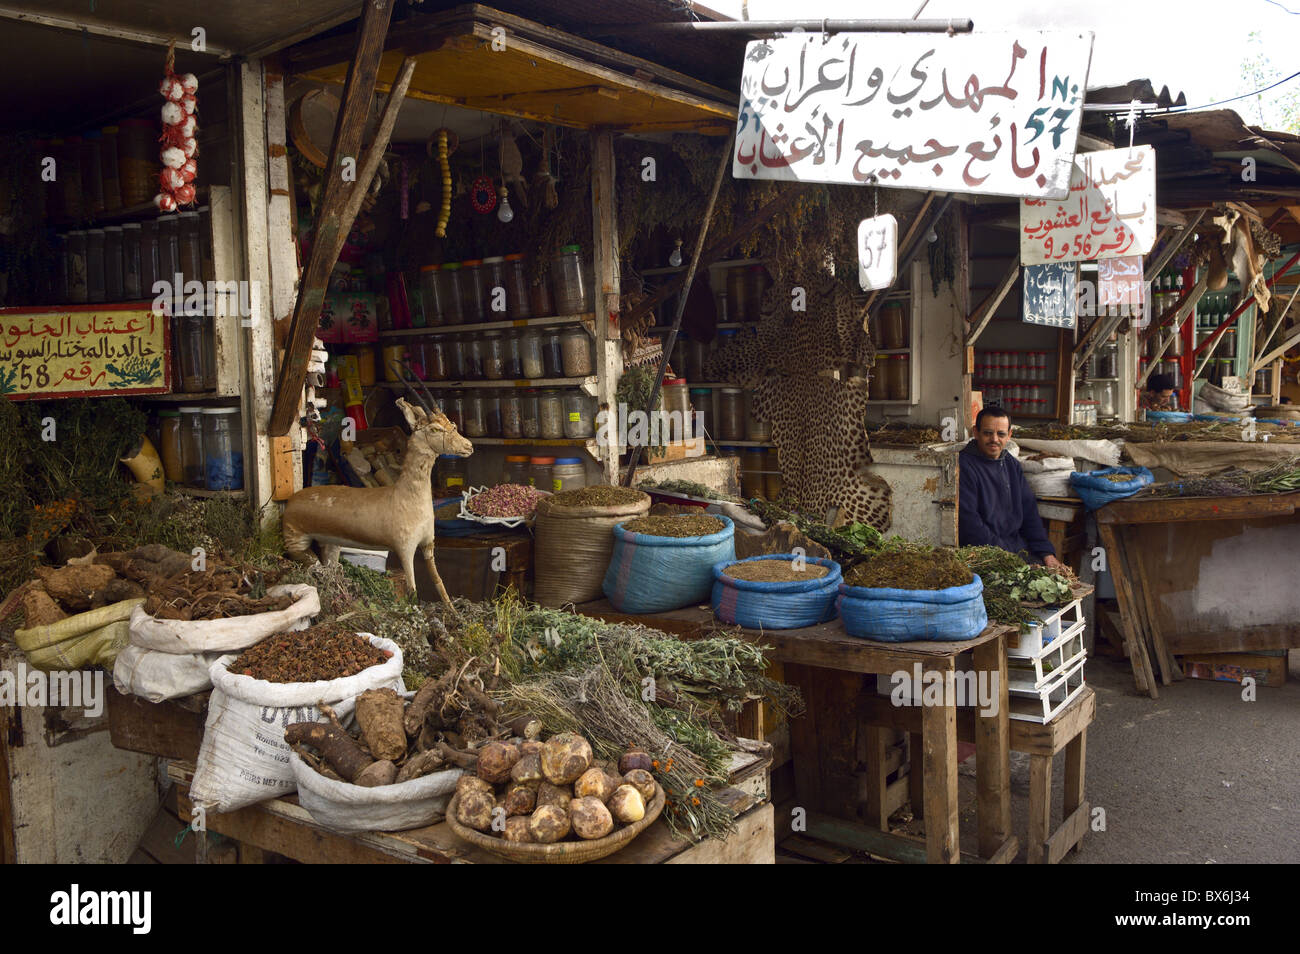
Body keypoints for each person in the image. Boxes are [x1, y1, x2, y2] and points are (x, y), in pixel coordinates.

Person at [959, 406, 1061, 568]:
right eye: (987, 433)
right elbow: (969, 525)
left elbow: (1030, 513)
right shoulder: (964, 466)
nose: (994, 439)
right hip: (983, 555)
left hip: (1016, 549)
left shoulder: (1011, 464)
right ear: (975, 432)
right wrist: (1008, 558)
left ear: (1009, 435)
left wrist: (1046, 553)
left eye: (1001, 434)